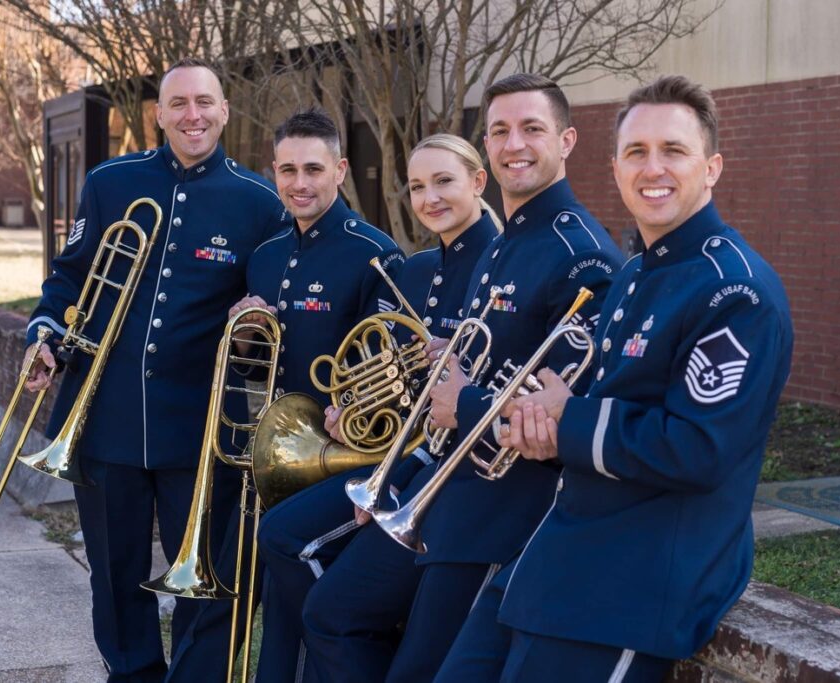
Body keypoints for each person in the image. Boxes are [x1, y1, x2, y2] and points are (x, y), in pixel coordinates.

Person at [436, 75, 795, 682]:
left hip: (635, 586)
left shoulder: (738, 291)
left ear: (711, 168)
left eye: (673, 151)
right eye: (636, 152)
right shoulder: (635, 274)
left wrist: (564, 418)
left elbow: (697, 449)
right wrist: (540, 417)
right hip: (558, 559)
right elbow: (592, 405)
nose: (652, 168)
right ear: (616, 167)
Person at [303, 74, 625, 683]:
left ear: (567, 140)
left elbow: (569, 403)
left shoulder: (582, 255)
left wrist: (465, 399)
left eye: (532, 128)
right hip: (451, 493)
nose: (514, 144)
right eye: (500, 130)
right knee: (333, 614)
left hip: (504, 511)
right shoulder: (506, 245)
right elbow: (487, 364)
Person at [22, 58, 286, 682]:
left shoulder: (260, 203)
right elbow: (69, 276)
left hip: (199, 429)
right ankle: (132, 674)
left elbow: (268, 311)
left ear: (223, 110)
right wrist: (44, 333)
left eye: (204, 102)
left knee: (204, 580)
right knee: (114, 574)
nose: (192, 115)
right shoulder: (111, 181)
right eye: (178, 104)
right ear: (159, 114)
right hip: (106, 415)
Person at [164, 107, 405, 683]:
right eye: (289, 169)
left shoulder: (375, 254)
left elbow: (386, 379)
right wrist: (243, 336)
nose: (300, 183)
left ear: (341, 170)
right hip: (261, 461)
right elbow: (250, 373)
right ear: (273, 171)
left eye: (314, 169)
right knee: (219, 599)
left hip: (327, 467)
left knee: (295, 621)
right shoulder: (267, 255)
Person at [252, 132, 501, 683]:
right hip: (395, 457)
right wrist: (349, 407)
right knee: (279, 534)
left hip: (450, 471)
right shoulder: (411, 270)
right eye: (417, 186)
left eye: (444, 182)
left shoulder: (501, 265)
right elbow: (382, 365)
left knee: (294, 552)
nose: (430, 197)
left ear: (478, 183)